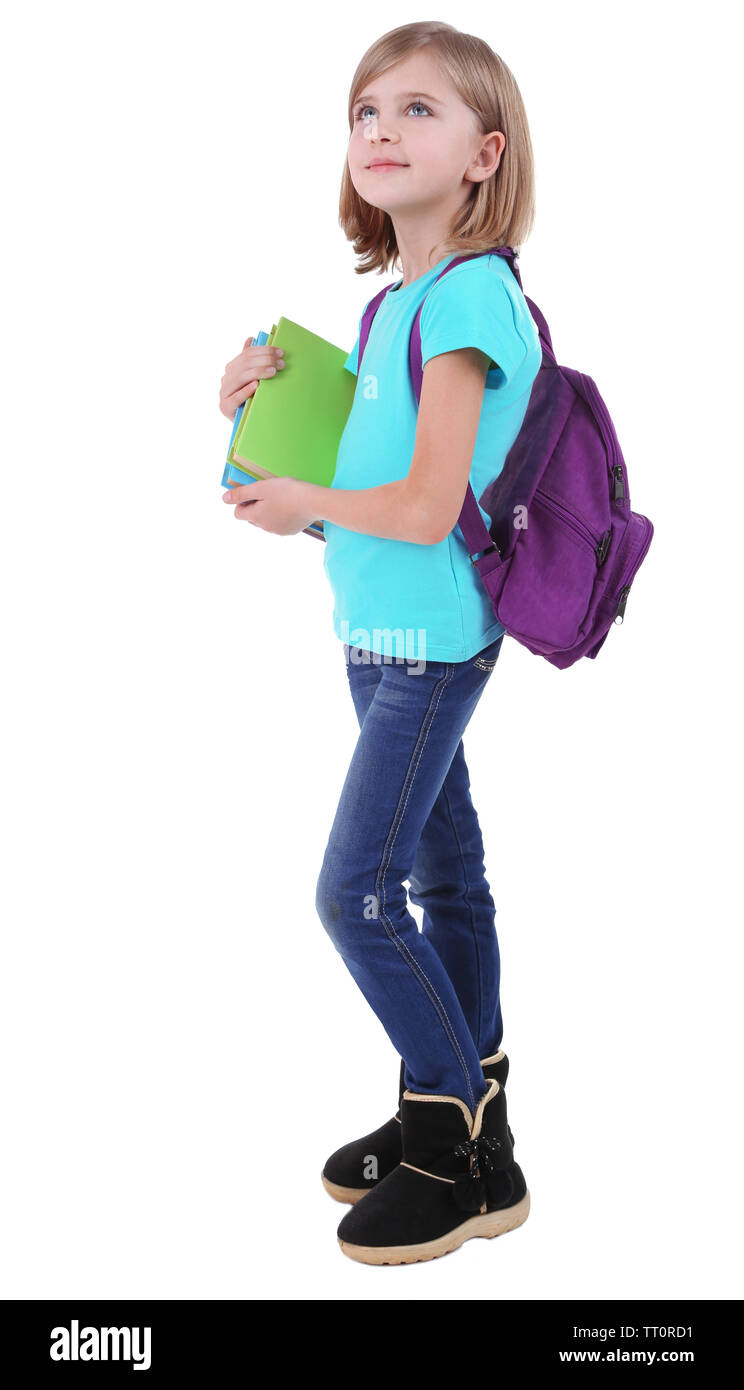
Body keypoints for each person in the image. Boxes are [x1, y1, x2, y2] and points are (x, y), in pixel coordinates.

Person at [219, 20, 542, 1266]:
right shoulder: (390, 304)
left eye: (417, 112)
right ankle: (455, 1102)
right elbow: (356, 485)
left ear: (484, 154)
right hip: (377, 633)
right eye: (366, 113)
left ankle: (457, 1147)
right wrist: (255, 420)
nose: (381, 132)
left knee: (354, 895)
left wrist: (312, 504)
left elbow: (420, 505)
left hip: (428, 646)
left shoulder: (467, 297)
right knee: (443, 884)